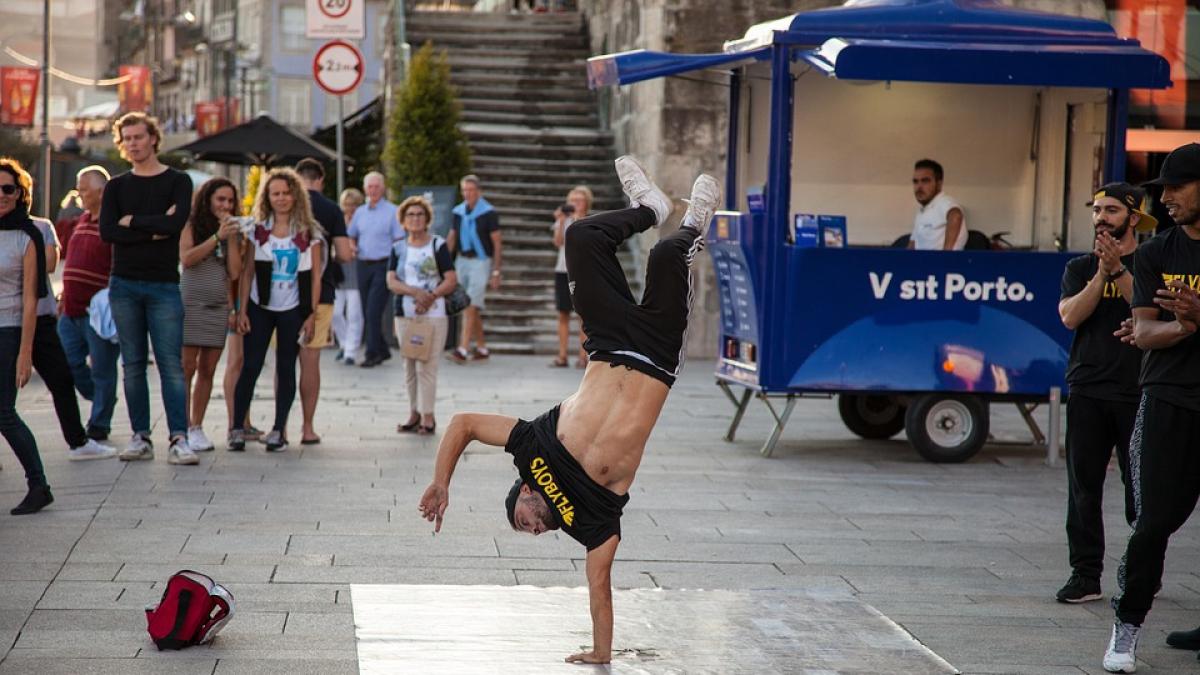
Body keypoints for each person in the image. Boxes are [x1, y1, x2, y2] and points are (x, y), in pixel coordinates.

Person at [419, 157, 719, 665]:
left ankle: (649, 208)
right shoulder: (592, 523)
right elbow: (600, 588)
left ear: (526, 490)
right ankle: (692, 224)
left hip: (606, 342)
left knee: (580, 236)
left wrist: (442, 481)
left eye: (522, 520)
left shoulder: (531, 450)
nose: (533, 531)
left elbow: (463, 423)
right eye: (532, 532)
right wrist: (601, 654)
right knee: (670, 254)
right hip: (655, 356)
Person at [1103, 143, 1200, 673]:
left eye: (1176, 188)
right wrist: (1185, 327)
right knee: (1153, 522)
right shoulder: (1158, 253)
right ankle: (1127, 627)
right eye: (1161, 189)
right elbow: (1143, 330)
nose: (1164, 200)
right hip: (1168, 399)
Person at [1055, 183, 1155, 605]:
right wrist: (1101, 272)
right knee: (1083, 487)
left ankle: (1140, 571)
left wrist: (1119, 271)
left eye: (1110, 210)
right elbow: (1070, 316)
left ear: (1133, 218)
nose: (1101, 218)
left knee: (1142, 489)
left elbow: (1149, 307)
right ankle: (1085, 574)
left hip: (1138, 390)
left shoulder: (1151, 262)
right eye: (1097, 210)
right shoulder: (1080, 268)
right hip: (1087, 388)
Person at [99, 112, 196, 465]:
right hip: (123, 282)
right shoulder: (117, 186)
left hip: (164, 284)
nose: (134, 143)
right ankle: (140, 436)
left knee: (171, 364)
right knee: (133, 363)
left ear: (153, 138)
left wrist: (134, 222)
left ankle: (179, 437)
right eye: (127, 138)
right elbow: (108, 231)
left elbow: (175, 224)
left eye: (139, 136)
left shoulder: (178, 181)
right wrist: (152, 229)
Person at [229, 168, 324, 453]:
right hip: (260, 305)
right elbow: (246, 273)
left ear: (296, 195)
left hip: (293, 307)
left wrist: (310, 315)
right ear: (267, 197)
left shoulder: (308, 233)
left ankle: (279, 429)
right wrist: (242, 310)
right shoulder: (257, 230)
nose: (281, 198)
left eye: (286, 193)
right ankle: (236, 427)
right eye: (275, 194)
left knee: (286, 367)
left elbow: (316, 276)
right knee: (251, 365)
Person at [0, 157, 54, 513]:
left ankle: (39, 485)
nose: (1, 195)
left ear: (20, 194)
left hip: (9, 329)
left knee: (4, 412)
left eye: (7, 189)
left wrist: (25, 352)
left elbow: (32, 299)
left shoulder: (28, 235)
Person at [56, 166, 121, 449]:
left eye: (83, 189)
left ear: (101, 191)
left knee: (103, 369)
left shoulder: (113, 226)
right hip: (69, 310)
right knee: (64, 363)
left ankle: (99, 424)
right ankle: (102, 397)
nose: (79, 193)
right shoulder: (81, 220)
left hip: (98, 314)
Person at [179, 178, 243, 453]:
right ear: (208, 200)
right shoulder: (191, 225)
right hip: (191, 302)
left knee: (208, 368)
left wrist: (229, 240)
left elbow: (235, 272)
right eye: (220, 200)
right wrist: (215, 237)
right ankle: (180, 428)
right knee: (186, 367)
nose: (225, 206)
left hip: (217, 305)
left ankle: (197, 426)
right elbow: (187, 259)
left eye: (230, 201)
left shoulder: (233, 232)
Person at [387, 196, 457, 435]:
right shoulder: (398, 248)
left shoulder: (437, 246)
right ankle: (413, 413)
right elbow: (391, 280)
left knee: (427, 365)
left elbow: (450, 279)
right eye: (410, 215)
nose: (415, 219)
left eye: (419, 214)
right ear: (403, 221)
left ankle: (428, 417)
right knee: (409, 364)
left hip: (434, 314)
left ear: (427, 218)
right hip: (405, 314)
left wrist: (430, 296)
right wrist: (415, 292)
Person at [294, 158, 350, 445]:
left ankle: (274, 425)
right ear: (321, 179)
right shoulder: (331, 209)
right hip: (322, 293)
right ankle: (307, 427)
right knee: (311, 361)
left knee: (280, 363)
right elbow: (344, 253)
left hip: (281, 292)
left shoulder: (286, 202)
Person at [447, 175, 503, 364]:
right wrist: (445, 263)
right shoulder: (458, 212)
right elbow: (452, 237)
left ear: (478, 191)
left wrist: (496, 271)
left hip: (481, 261)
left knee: (471, 304)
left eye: (471, 190)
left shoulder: (488, 213)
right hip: (462, 260)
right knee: (467, 304)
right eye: (465, 190)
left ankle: (462, 349)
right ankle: (481, 347)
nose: (468, 194)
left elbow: (497, 243)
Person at [347, 172, 400, 367]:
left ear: (383, 188)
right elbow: (351, 234)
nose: (373, 190)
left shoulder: (393, 211)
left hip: (382, 264)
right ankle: (383, 349)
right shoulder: (360, 212)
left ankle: (372, 353)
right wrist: (352, 246)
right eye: (370, 187)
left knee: (373, 310)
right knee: (365, 309)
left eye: (377, 186)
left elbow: (399, 238)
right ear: (365, 189)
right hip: (363, 264)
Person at [550, 186, 592, 369]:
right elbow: (558, 243)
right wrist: (560, 221)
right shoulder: (564, 221)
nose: (575, 204)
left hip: (583, 272)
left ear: (586, 203)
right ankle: (562, 355)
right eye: (572, 201)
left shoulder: (589, 221)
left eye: (579, 200)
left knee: (583, 316)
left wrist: (576, 219)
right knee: (563, 313)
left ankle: (583, 356)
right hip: (563, 270)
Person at [334, 188, 365, 366]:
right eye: (347, 204)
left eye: (353, 204)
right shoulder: (339, 221)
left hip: (356, 269)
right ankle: (344, 343)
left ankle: (351, 351)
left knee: (354, 313)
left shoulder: (362, 221)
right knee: (336, 312)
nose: (350, 208)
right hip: (339, 270)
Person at [908, 159, 966, 251]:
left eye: (925, 181)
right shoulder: (922, 211)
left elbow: (956, 215)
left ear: (939, 184)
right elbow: (913, 244)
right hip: (921, 263)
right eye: (915, 181)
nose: (919, 187)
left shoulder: (944, 202)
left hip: (942, 264)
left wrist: (944, 257)